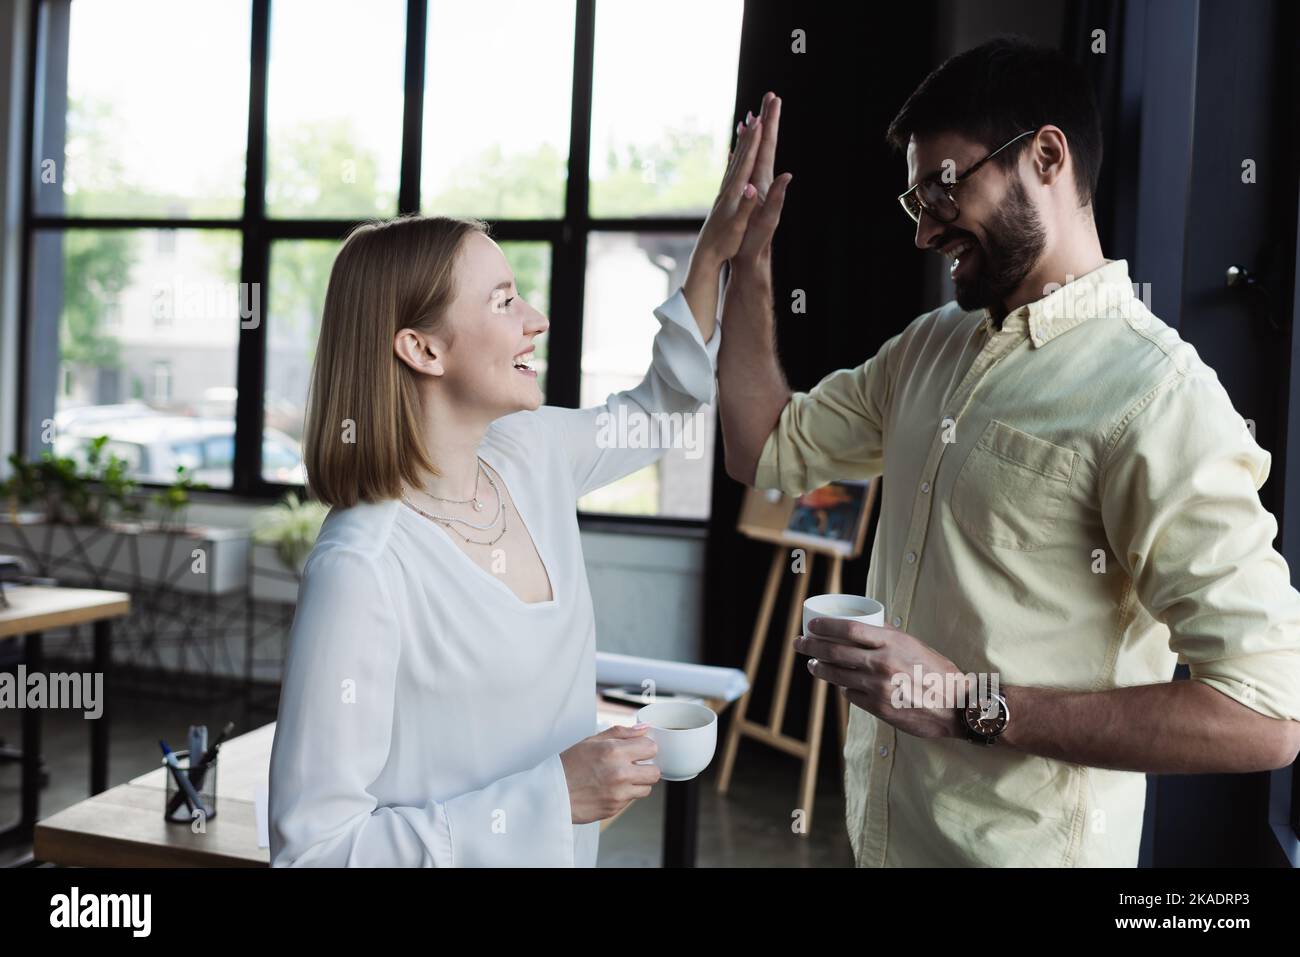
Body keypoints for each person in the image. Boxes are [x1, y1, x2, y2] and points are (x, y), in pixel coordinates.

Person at [719, 42, 1300, 866]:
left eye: (945, 187)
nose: (924, 230)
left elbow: (1266, 715)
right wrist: (746, 264)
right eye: (914, 200)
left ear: (1047, 155)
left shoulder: (1160, 396)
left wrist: (963, 702)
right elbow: (763, 448)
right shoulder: (927, 349)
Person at [268, 104, 775, 866]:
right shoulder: (363, 568)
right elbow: (314, 852)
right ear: (422, 347)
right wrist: (552, 797)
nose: (534, 319)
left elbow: (662, 410)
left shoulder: (531, 453)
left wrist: (710, 259)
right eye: (504, 301)